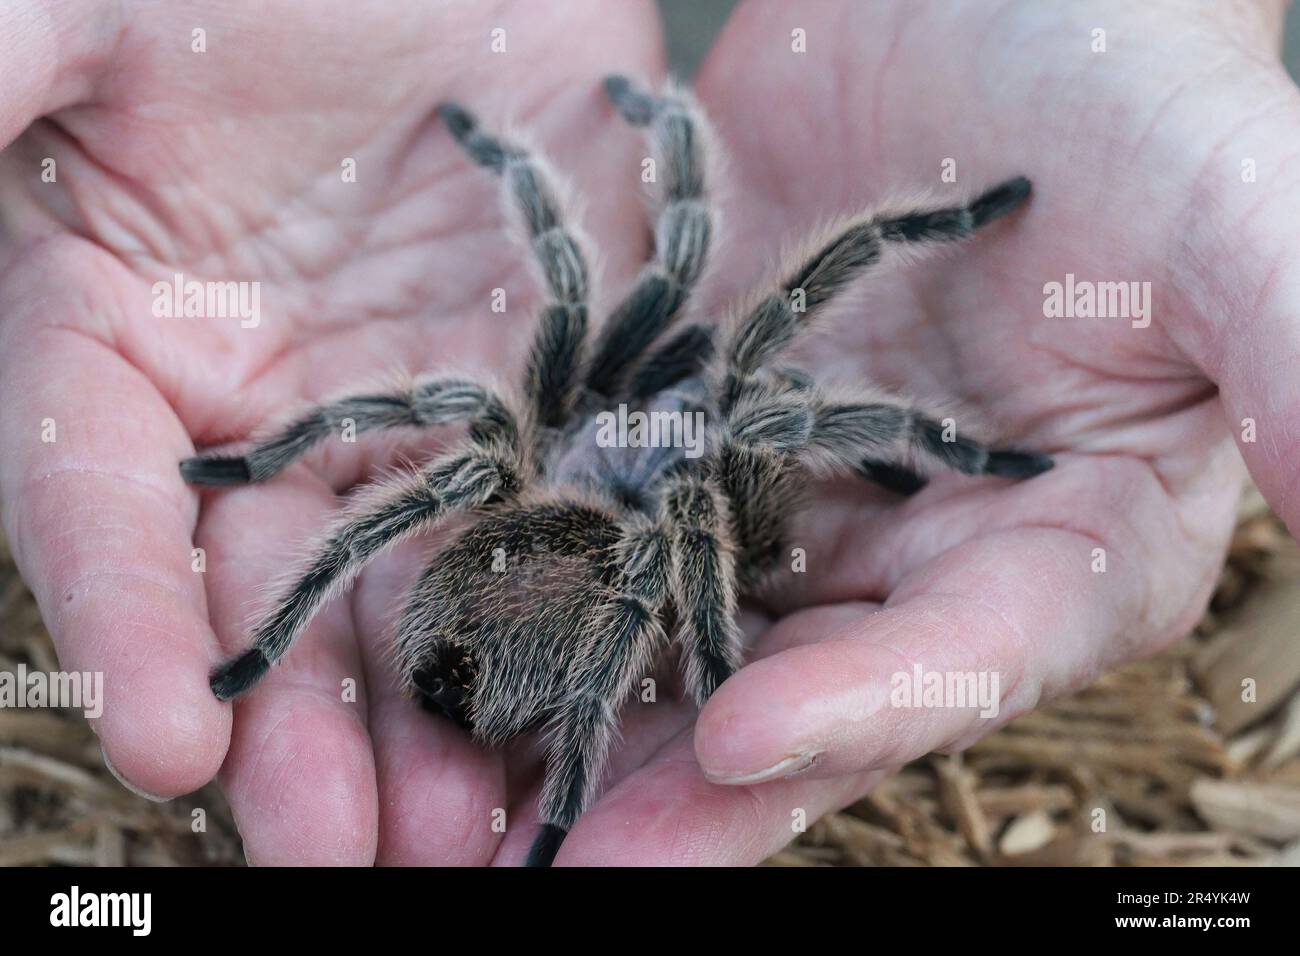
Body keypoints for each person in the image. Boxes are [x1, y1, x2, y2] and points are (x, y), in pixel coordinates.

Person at [0, 0, 1293, 865]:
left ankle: (518, 761)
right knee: (541, 392)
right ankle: (516, 755)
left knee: (545, 411)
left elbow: (711, 387)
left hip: (581, 549)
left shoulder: (677, 462)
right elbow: (605, 289)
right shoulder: (637, 439)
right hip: (557, 563)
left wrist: (944, 397)